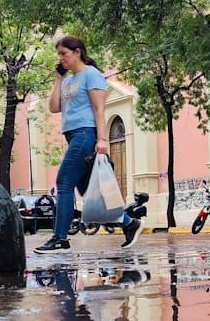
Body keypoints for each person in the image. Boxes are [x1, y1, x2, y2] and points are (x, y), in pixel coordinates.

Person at [36, 35, 142, 253]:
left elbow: (99, 109)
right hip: (72, 135)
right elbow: (54, 108)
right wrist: (57, 79)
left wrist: (102, 138)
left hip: (86, 134)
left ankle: (60, 238)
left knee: (64, 182)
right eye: (59, 54)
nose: (61, 58)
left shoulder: (91, 75)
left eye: (64, 53)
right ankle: (129, 223)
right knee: (89, 191)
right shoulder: (66, 80)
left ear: (77, 52)